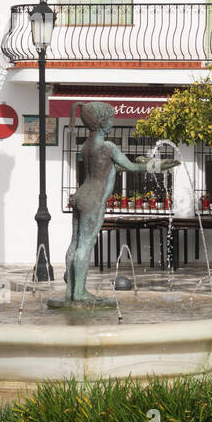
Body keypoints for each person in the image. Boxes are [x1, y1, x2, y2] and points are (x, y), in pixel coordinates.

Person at [61, 101, 178, 306]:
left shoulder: (86, 146)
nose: (112, 123)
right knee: (86, 244)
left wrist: (127, 166)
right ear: (102, 122)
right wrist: (157, 165)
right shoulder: (108, 147)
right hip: (94, 199)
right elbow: (132, 168)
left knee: (75, 242)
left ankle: (71, 291)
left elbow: (106, 171)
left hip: (81, 194)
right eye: (110, 119)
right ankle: (79, 294)